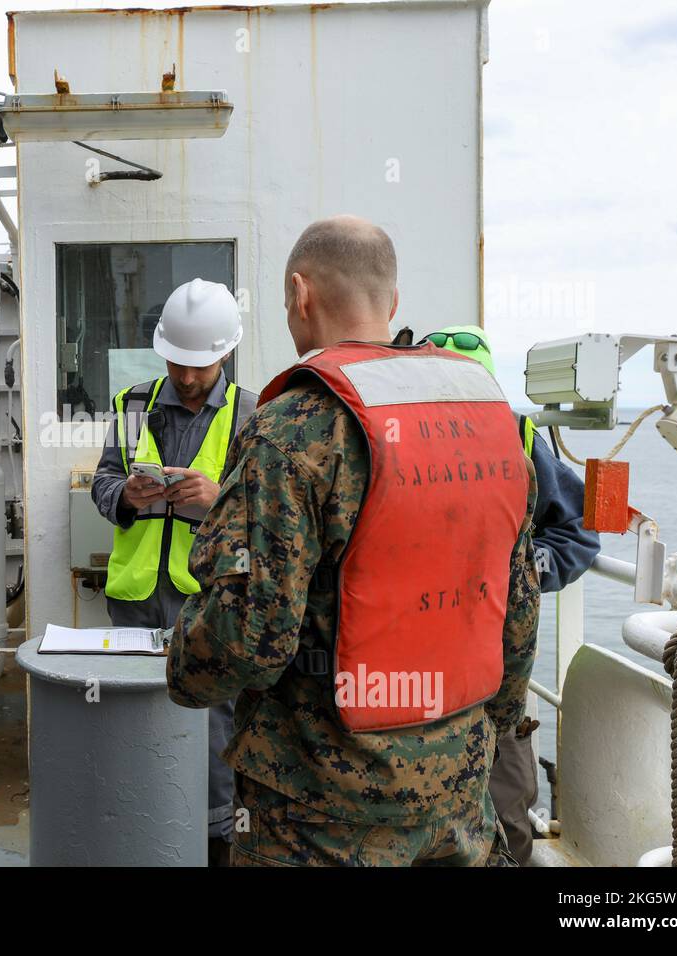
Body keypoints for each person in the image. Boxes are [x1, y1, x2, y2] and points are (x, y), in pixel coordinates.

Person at [166, 215, 540, 866]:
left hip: (318, 811)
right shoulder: (492, 423)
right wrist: (492, 728)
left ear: (300, 295)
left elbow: (250, 642)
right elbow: (518, 618)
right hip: (460, 796)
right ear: (391, 302)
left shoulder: (290, 430)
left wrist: (179, 672)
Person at [91, 277, 256, 865]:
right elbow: (103, 482)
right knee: (134, 714)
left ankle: (214, 840)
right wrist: (129, 496)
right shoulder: (134, 405)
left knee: (213, 723)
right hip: (136, 597)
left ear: (224, 354)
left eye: (200, 366)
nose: (186, 378)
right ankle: (138, 824)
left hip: (207, 602)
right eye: (177, 363)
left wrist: (219, 498)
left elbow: (265, 516)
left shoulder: (250, 415)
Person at [423, 324, 600, 863]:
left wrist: (517, 572)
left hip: (497, 670)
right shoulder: (397, 437)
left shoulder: (519, 436)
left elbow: (576, 532)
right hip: (413, 667)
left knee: (506, 812)